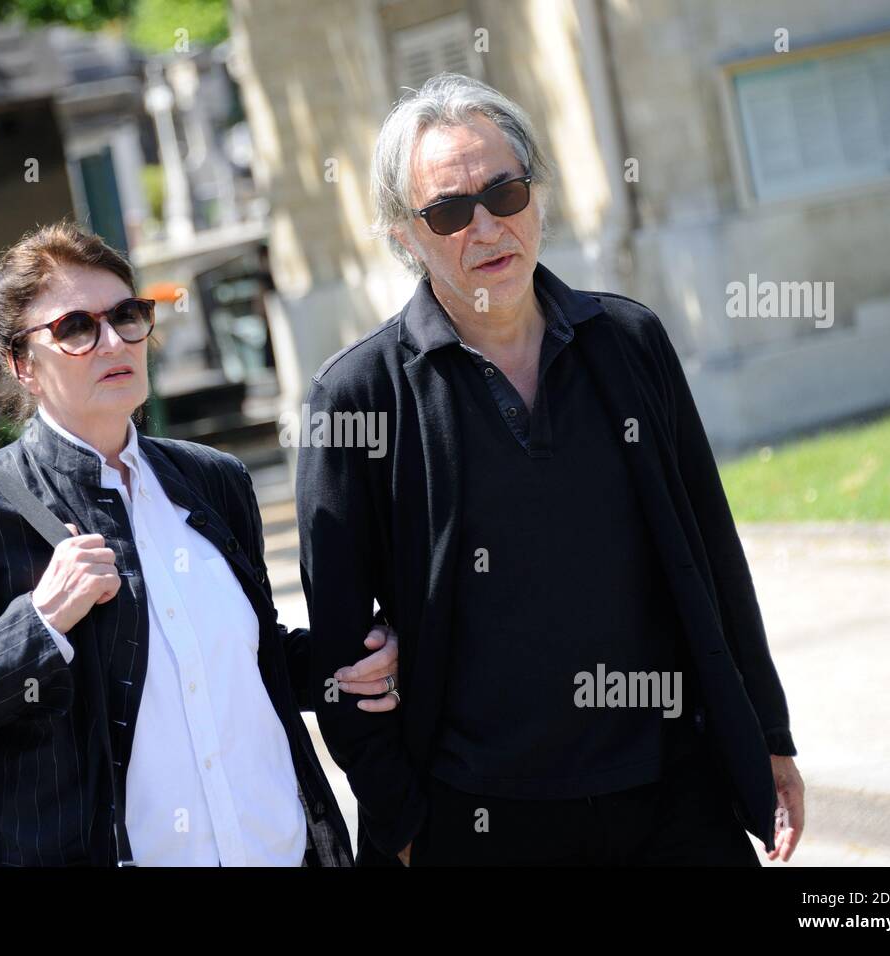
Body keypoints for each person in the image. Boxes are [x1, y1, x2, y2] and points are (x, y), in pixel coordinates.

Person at [297, 73, 804, 867]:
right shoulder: (358, 396)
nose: (486, 226)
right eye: (449, 211)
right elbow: (340, 650)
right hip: (483, 821)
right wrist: (398, 822)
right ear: (403, 234)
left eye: (504, 192)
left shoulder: (629, 342)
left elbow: (713, 552)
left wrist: (766, 734)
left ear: (538, 195)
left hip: (677, 796)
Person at [0, 221, 399, 866]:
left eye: (126, 316)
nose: (112, 342)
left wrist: (352, 658)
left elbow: (250, 658)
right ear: (21, 363)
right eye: (75, 328)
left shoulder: (215, 480)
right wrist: (40, 622)